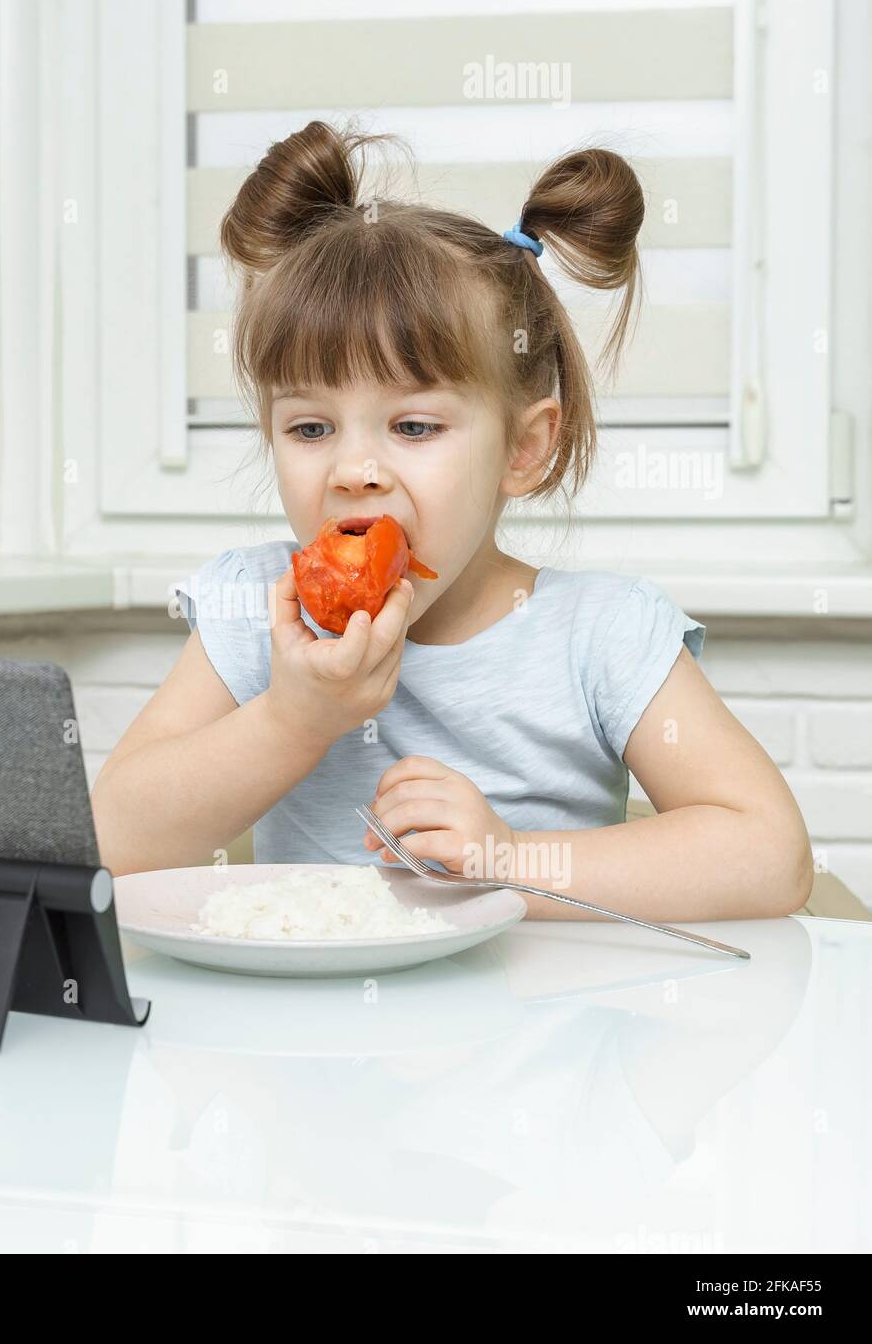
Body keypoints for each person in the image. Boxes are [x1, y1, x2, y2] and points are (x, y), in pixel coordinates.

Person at [90, 119, 813, 922]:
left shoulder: (598, 633)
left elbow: (769, 856)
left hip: (542, 1037)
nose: (352, 470)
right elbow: (111, 841)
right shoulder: (255, 605)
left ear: (524, 449)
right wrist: (295, 719)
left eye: (414, 427)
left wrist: (508, 861)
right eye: (310, 428)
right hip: (315, 1041)